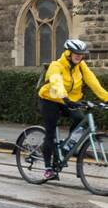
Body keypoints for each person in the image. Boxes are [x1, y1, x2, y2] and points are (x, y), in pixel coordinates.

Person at [37, 37, 108, 179]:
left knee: (80, 120)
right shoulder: (56, 65)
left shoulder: (81, 66)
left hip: (68, 101)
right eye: (76, 53)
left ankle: (67, 146)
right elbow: (56, 82)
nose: (79, 56)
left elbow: (94, 83)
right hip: (50, 100)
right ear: (68, 53)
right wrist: (64, 98)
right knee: (50, 134)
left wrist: (106, 98)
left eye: (81, 54)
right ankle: (48, 168)